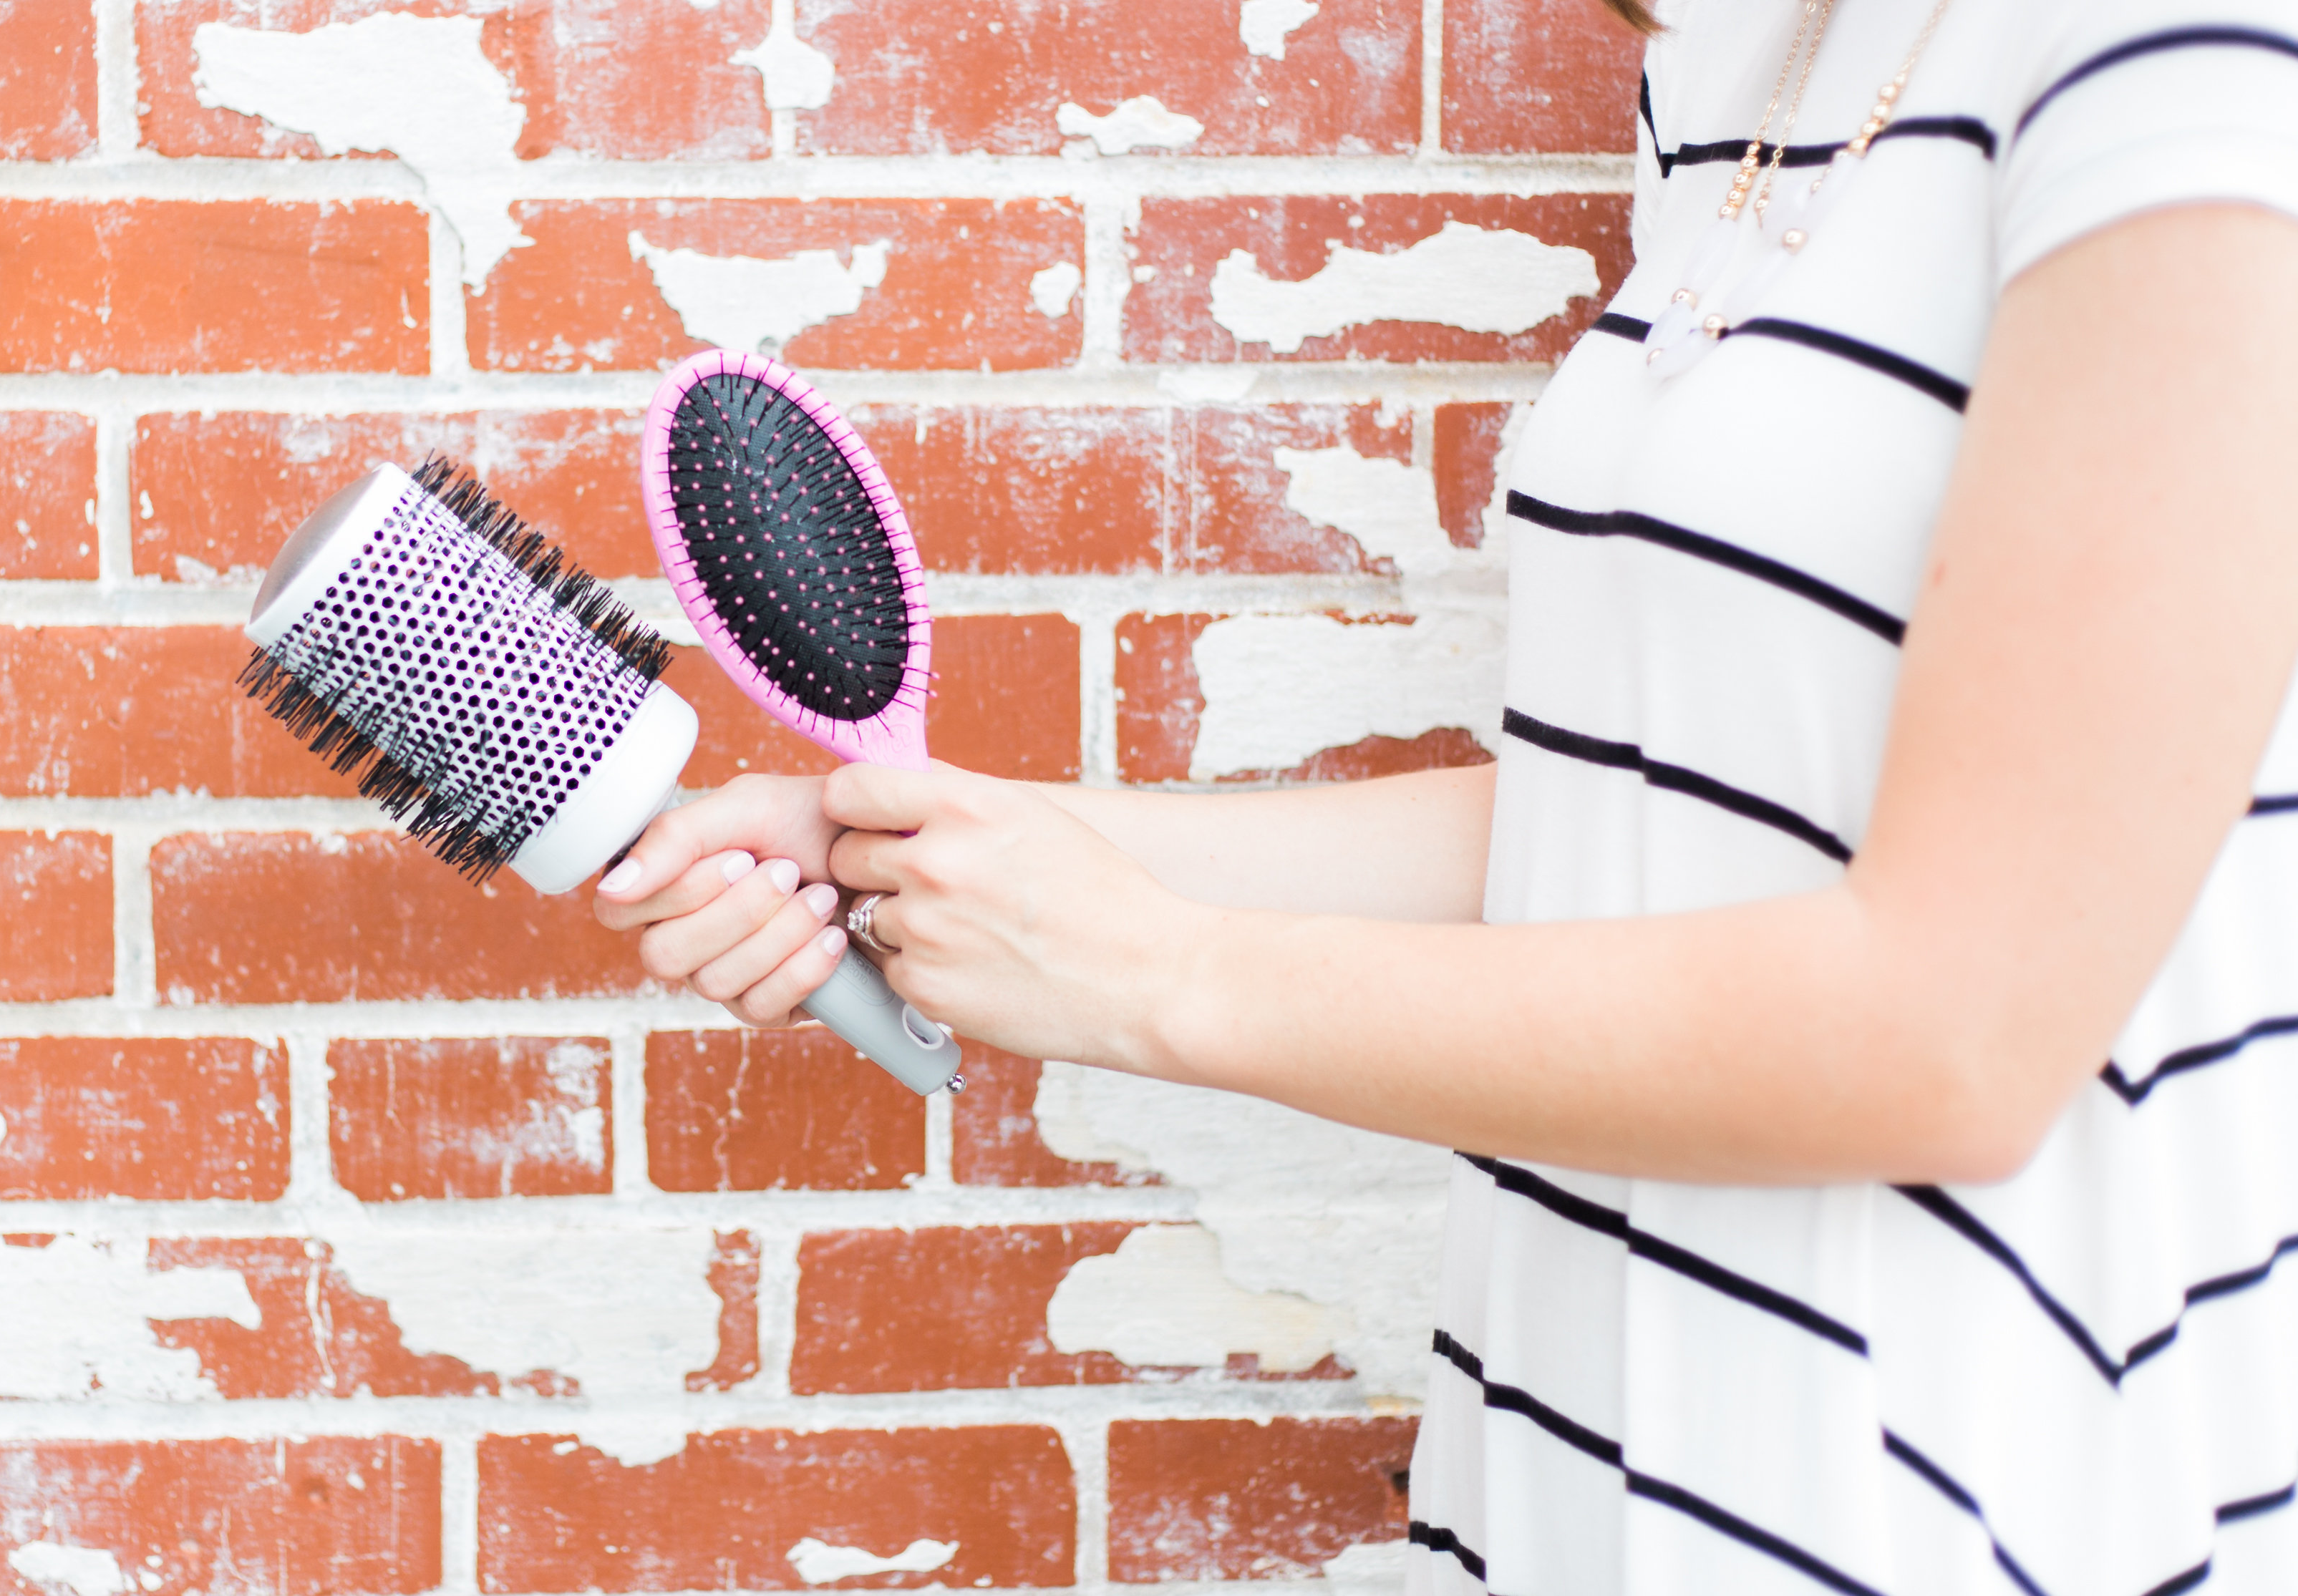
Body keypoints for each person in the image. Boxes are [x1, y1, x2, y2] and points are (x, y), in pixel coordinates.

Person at [597, 1, 2298, 1590]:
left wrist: (1148, 971)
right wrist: (979, 851)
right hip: (1589, 1445)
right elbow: (1641, 804)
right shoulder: (1739, 68)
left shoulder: (2180, 53)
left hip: (1941, 1474)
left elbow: (1961, 1030)